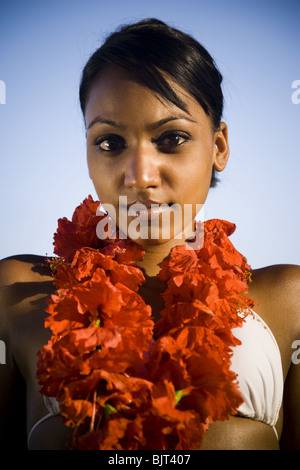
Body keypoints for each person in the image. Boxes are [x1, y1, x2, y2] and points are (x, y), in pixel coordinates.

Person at [0, 18, 299, 451]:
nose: (139, 176)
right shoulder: (16, 297)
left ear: (219, 148)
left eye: (171, 138)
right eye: (109, 142)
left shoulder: (286, 301)